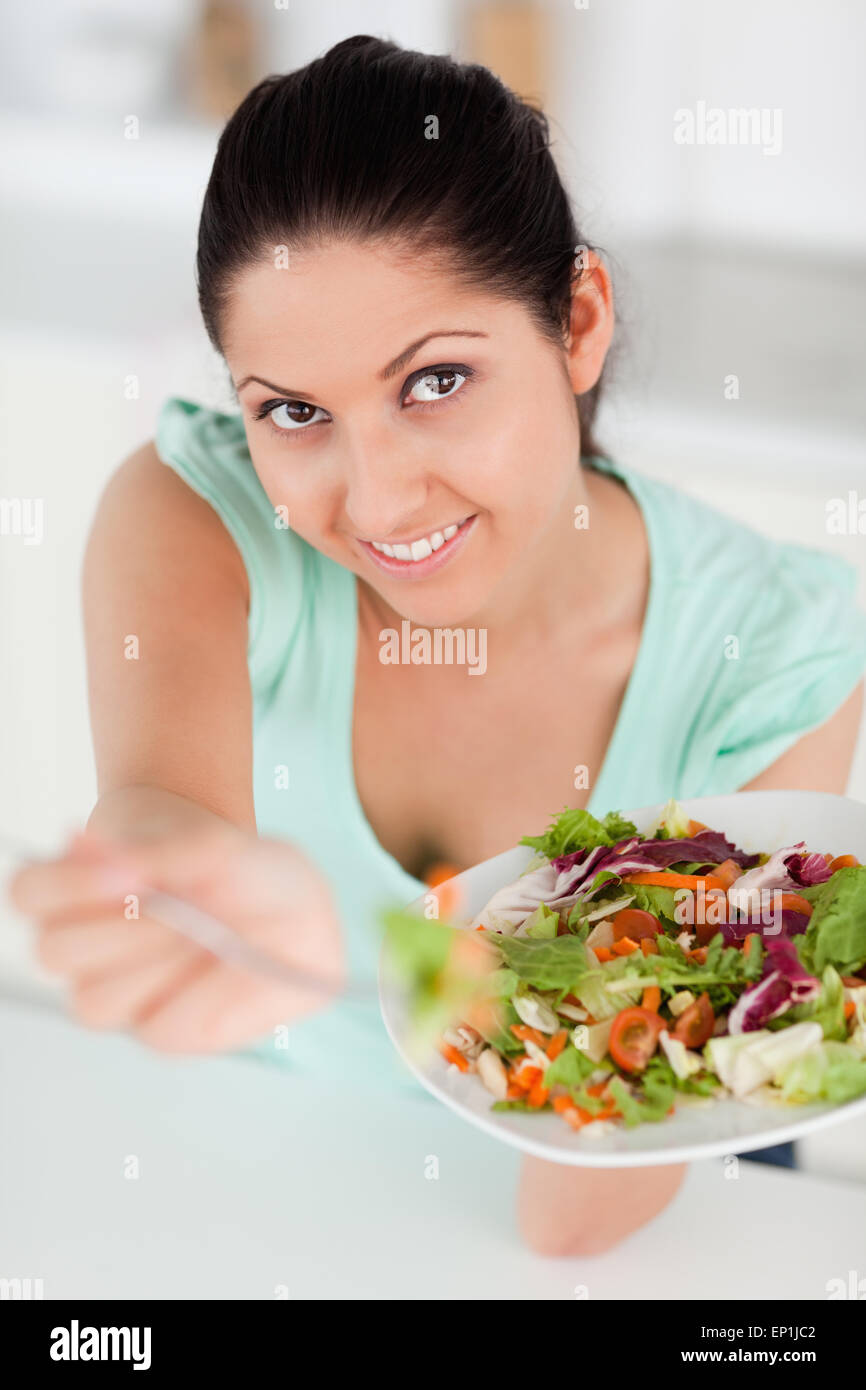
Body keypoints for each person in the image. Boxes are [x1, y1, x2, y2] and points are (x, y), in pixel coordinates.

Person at [10, 35, 866, 1257]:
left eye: (434, 381)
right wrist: (190, 891)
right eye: (294, 412)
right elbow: (162, 809)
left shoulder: (772, 653)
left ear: (575, 320)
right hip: (270, 1176)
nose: (376, 502)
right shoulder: (193, 517)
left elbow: (575, 1216)